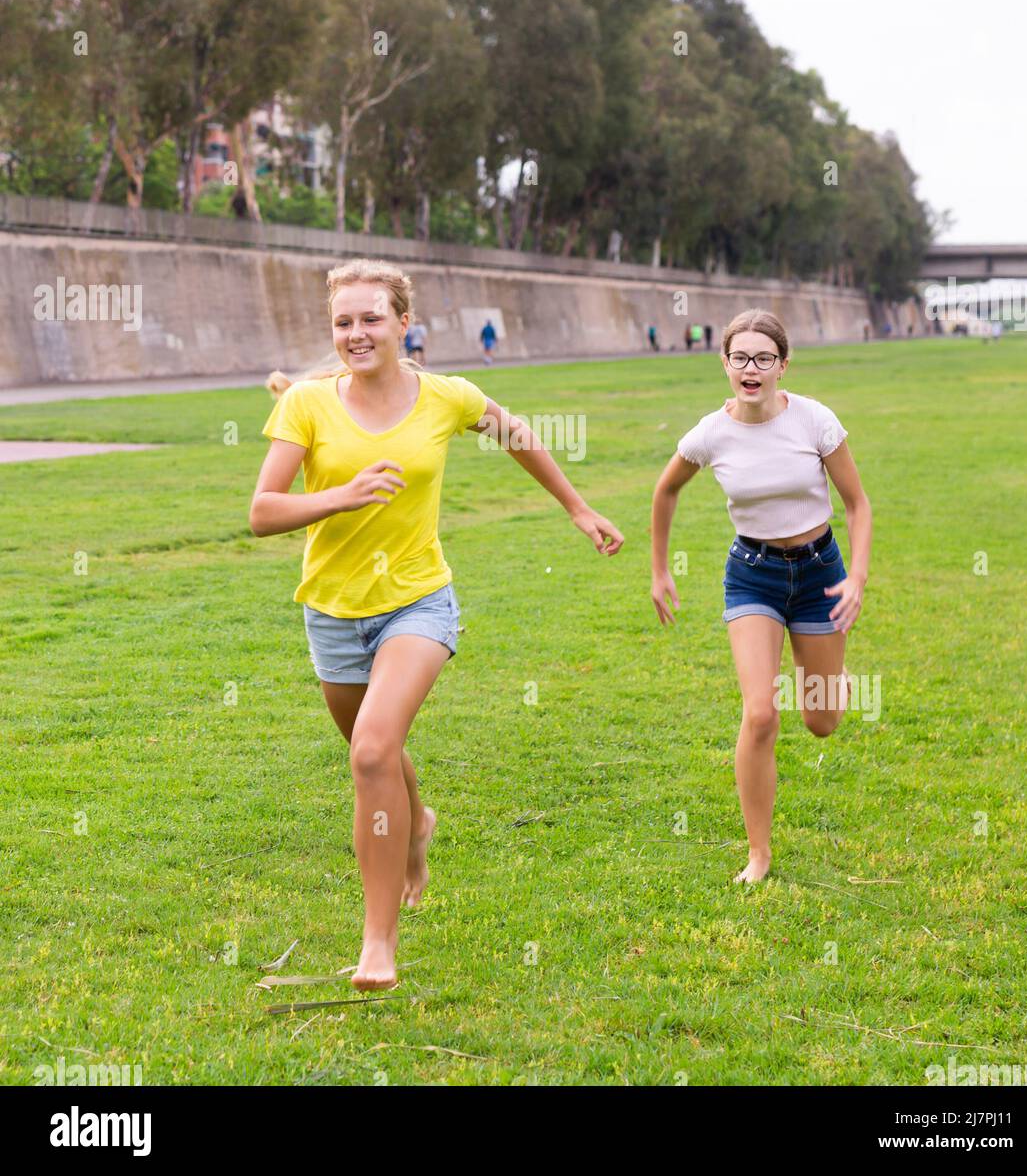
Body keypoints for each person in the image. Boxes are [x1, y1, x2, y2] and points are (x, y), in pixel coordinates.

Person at [250, 259, 624, 990]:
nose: (356, 333)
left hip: (418, 601)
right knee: (376, 751)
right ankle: (416, 826)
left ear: (401, 323)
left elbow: (517, 434)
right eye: (343, 322)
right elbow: (262, 512)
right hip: (330, 611)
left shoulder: (447, 396)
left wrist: (577, 508)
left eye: (371, 318)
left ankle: (377, 946)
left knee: (370, 754)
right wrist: (342, 496)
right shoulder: (304, 404)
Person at [650, 308, 872, 884]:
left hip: (821, 572)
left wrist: (858, 575)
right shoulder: (709, 433)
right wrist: (659, 571)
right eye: (740, 358)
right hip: (753, 574)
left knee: (822, 722)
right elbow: (665, 491)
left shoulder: (815, 421)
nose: (751, 369)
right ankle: (759, 853)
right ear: (724, 363)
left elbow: (857, 505)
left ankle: (825, 666)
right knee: (760, 714)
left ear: (782, 366)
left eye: (764, 359)